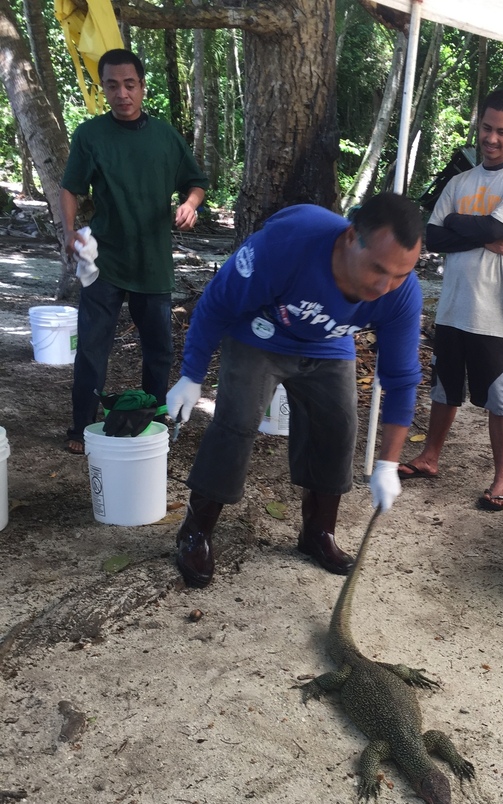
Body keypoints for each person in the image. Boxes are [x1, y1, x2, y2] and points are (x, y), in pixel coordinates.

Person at [165, 192, 424, 588]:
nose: (387, 285)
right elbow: (217, 302)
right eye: (378, 270)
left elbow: (402, 377)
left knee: (338, 425)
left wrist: (388, 463)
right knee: (237, 422)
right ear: (352, 236)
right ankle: (196, 530)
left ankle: (318, 532)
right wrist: (191, 375)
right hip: (260, 332)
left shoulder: (400, 293)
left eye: (401, 274)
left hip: (328, 343)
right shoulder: (288, 245)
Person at [398, 88, 503, 511]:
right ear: (477, 125)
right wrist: (480, 232)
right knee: (444, 388)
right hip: (453, 306)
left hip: (494, 310)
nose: (491, 138)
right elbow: (432, 235)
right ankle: (429, 458)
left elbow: (499, 227)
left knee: (500, 397)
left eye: (501, 131)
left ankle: (500, 479)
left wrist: (464, 227)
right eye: (485, 128)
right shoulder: (461, 181)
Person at [59, 48, 208, 454]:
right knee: (92, 347)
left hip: (153, 261)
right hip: (105, 259)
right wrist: (69, 231)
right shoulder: (91, 135)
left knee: (159, 349)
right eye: (112, 85)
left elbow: (196, 181)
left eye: (129, 85)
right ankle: (81, 426)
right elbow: (70, 187)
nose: (122, 93)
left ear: (142, 87)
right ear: (103, 88)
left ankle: (153, 418)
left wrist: (190, 204)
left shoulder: (165, 136)